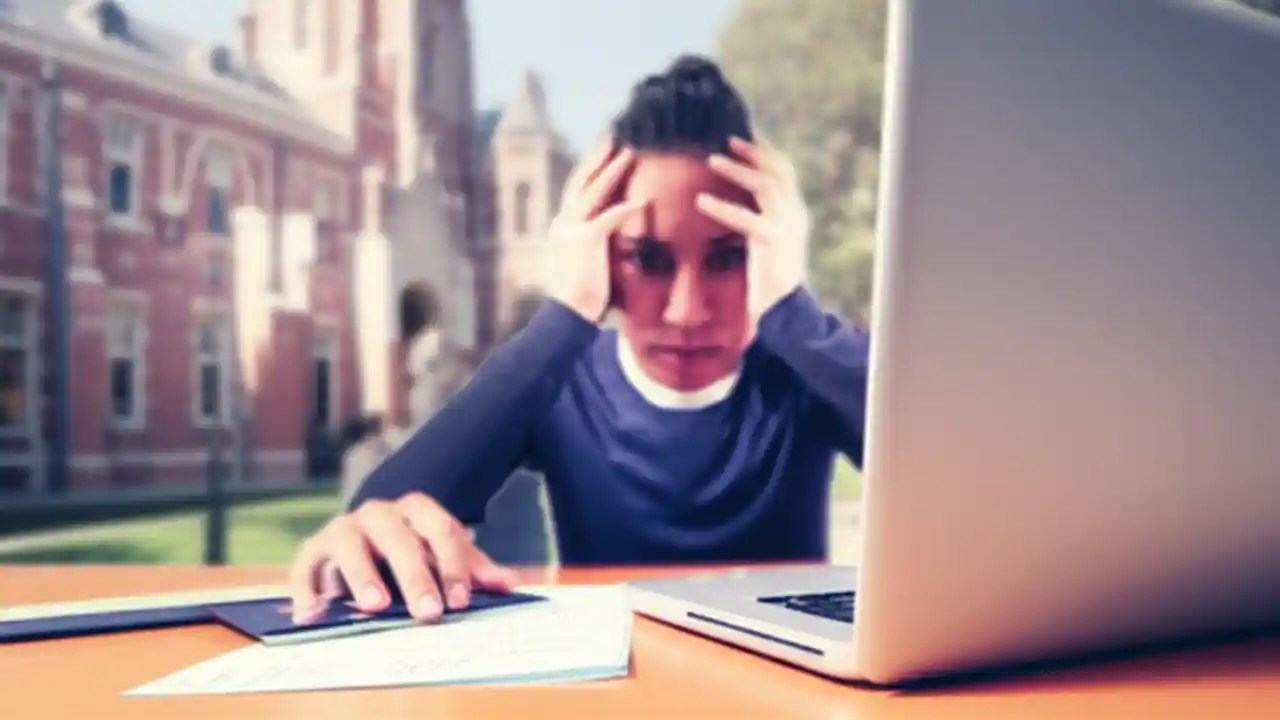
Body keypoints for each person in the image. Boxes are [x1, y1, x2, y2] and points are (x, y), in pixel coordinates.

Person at [288, 55, 871, 625]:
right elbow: (387, 523)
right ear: (602, 257)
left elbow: (945, 457)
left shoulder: (804, 365)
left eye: (729, 256)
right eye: (647, 257)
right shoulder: (562, 376)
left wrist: (793, 311)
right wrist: (565, 311)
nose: (688, 311)